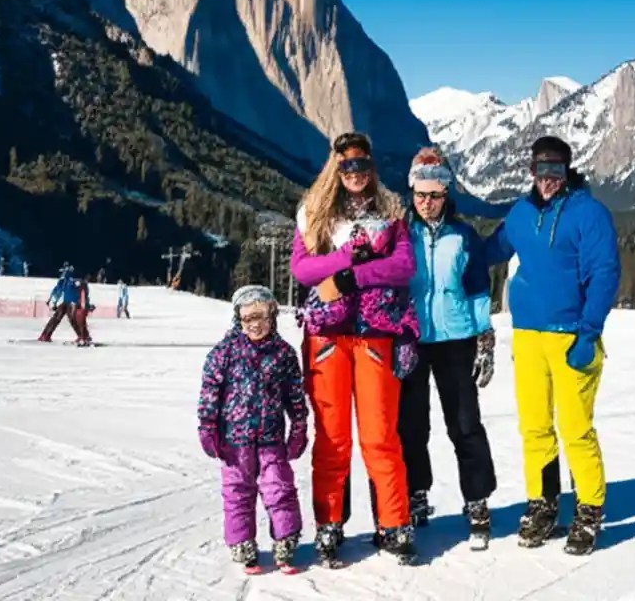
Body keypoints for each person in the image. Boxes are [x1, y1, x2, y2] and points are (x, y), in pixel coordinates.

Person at [484, 135, 620, 556]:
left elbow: (605, 272)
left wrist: (589, 331)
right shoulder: (521, 214)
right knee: (535, 427)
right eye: (542, 171)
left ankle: (589, 509)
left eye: (556, 171)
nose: (548, 180)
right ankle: (543, 503)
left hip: (572, 336)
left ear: (568, 171)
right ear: (531, 171)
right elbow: (492, 249)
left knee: (576, 428)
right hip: (527, 337)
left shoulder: (589, 213)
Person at [289, 132, 420, 566]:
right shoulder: (315, 214)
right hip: (327, 336)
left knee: (381, 435)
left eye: (362, 165)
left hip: (376, 332)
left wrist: (349, 279)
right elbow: (304, 269)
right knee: (332, 438)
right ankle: (329, 523)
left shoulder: (392, 213)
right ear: (336, 169)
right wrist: (347, 256)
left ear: (372, 167)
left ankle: (394, 522)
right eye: (347, 166)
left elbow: (403, 267)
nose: (356, 174)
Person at [399, 147, 498, 548]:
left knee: (465, 424)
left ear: (447, 193)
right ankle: (415, 493)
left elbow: (478, 291)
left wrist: (484, 341)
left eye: (435, 194)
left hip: (456, 340)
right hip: (411, 340)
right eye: (420, 195)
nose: (427, 203)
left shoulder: (464, 235)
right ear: (411, 193)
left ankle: (476, 499)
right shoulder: (400, 235)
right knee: (411, 425)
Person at [197, 286, 308, 573]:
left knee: (279, 489)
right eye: (248, 318)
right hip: (234, 440)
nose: (255, 324)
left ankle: (285, 542)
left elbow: (295, 396)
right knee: (237, 492)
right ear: (238, 319)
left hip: (271, 438)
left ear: (273, 316)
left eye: (261, 316)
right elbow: (210, 392)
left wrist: (298, 427)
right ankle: (243, 545)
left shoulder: (283, 354)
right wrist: (208, 427)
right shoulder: (224, 353)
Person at [38, 263, 77, 342]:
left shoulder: (66, 279)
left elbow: (57, 290)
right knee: (68, 319)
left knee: (57, 319)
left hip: (65, 301)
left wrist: (52, 301)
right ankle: (45, 335)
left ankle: (45, 335)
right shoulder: (67, 279)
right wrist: (52, 301)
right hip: (65, 302)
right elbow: (58, 290)